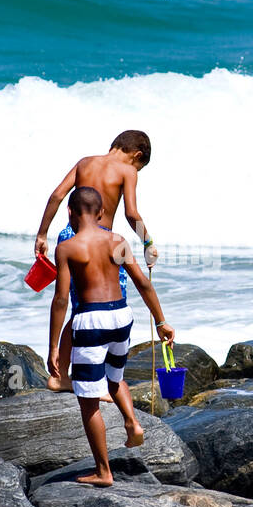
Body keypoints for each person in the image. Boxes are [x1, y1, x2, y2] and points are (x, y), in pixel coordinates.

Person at [49, 186, 174, 487]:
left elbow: (61, 300)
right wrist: (161, 321)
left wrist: (54, 347)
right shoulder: (117, 241)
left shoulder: (68, 248)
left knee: (88, 400)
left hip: (91, 319)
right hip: (122, 316)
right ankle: (132, 423)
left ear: (70, 213)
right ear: (102, 212)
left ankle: (103, 471)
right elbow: (142, 283)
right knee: (113, 378)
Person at [35, 129, 158, 391]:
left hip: (70, 237)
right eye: (139, 165)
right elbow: (131, 213)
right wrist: (147, 242)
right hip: (101, 242)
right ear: (136, 155)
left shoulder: (84, 163)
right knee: (108, 306)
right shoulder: (127, 171)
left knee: (79, 310)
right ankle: (90, 377)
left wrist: (42, 233)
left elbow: (57, 196)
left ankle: (62, 374)